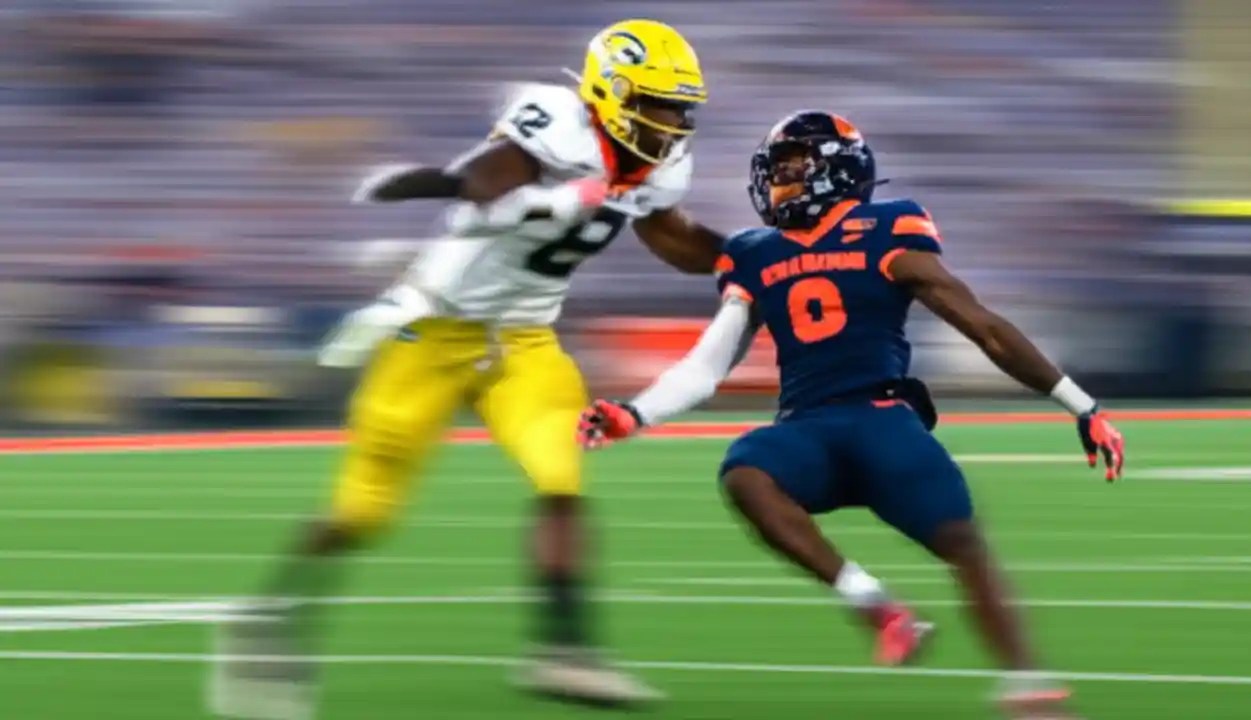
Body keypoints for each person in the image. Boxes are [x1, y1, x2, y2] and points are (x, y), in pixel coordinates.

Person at [208, 19, 726, 719]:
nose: (671, 123)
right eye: (658, 104)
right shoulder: (555, 122)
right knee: (362, 511)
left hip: (525, 342)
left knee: (561, 479)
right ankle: (267, 618)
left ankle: (566, 653)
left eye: (679, 108)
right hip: (433, 334)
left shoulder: (659, 167)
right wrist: (545, 195)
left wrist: (755, 257)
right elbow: (483, 181)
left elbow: (677, 240)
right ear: (610, 94)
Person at [578, 110, 1125, 719]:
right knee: (747, 472)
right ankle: (876, 605)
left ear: (836, 170)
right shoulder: (755, 254)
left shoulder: (887, 229)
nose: (779, 182)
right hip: (807, 428)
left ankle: (1029, 685)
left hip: (881, 418)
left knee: (962, 543)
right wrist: (634, 413)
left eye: (793, 167)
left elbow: (982, 326)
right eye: (776, 170)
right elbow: (708, 364)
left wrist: (1081, 405)